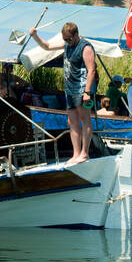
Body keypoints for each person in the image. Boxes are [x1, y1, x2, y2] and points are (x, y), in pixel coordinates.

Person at [29, 22, 96, 166]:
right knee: (71, 122)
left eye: (69, 39)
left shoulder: (85, 47)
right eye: (65, 39)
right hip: (70, 90)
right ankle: (76, 153)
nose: (67, 42)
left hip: (81, 89)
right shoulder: (67, 45)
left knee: (85, 120)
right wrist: (35, 36)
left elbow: (92, 70)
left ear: (76, 35)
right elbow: (46, 46)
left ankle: (85, 153)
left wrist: (87, 92)